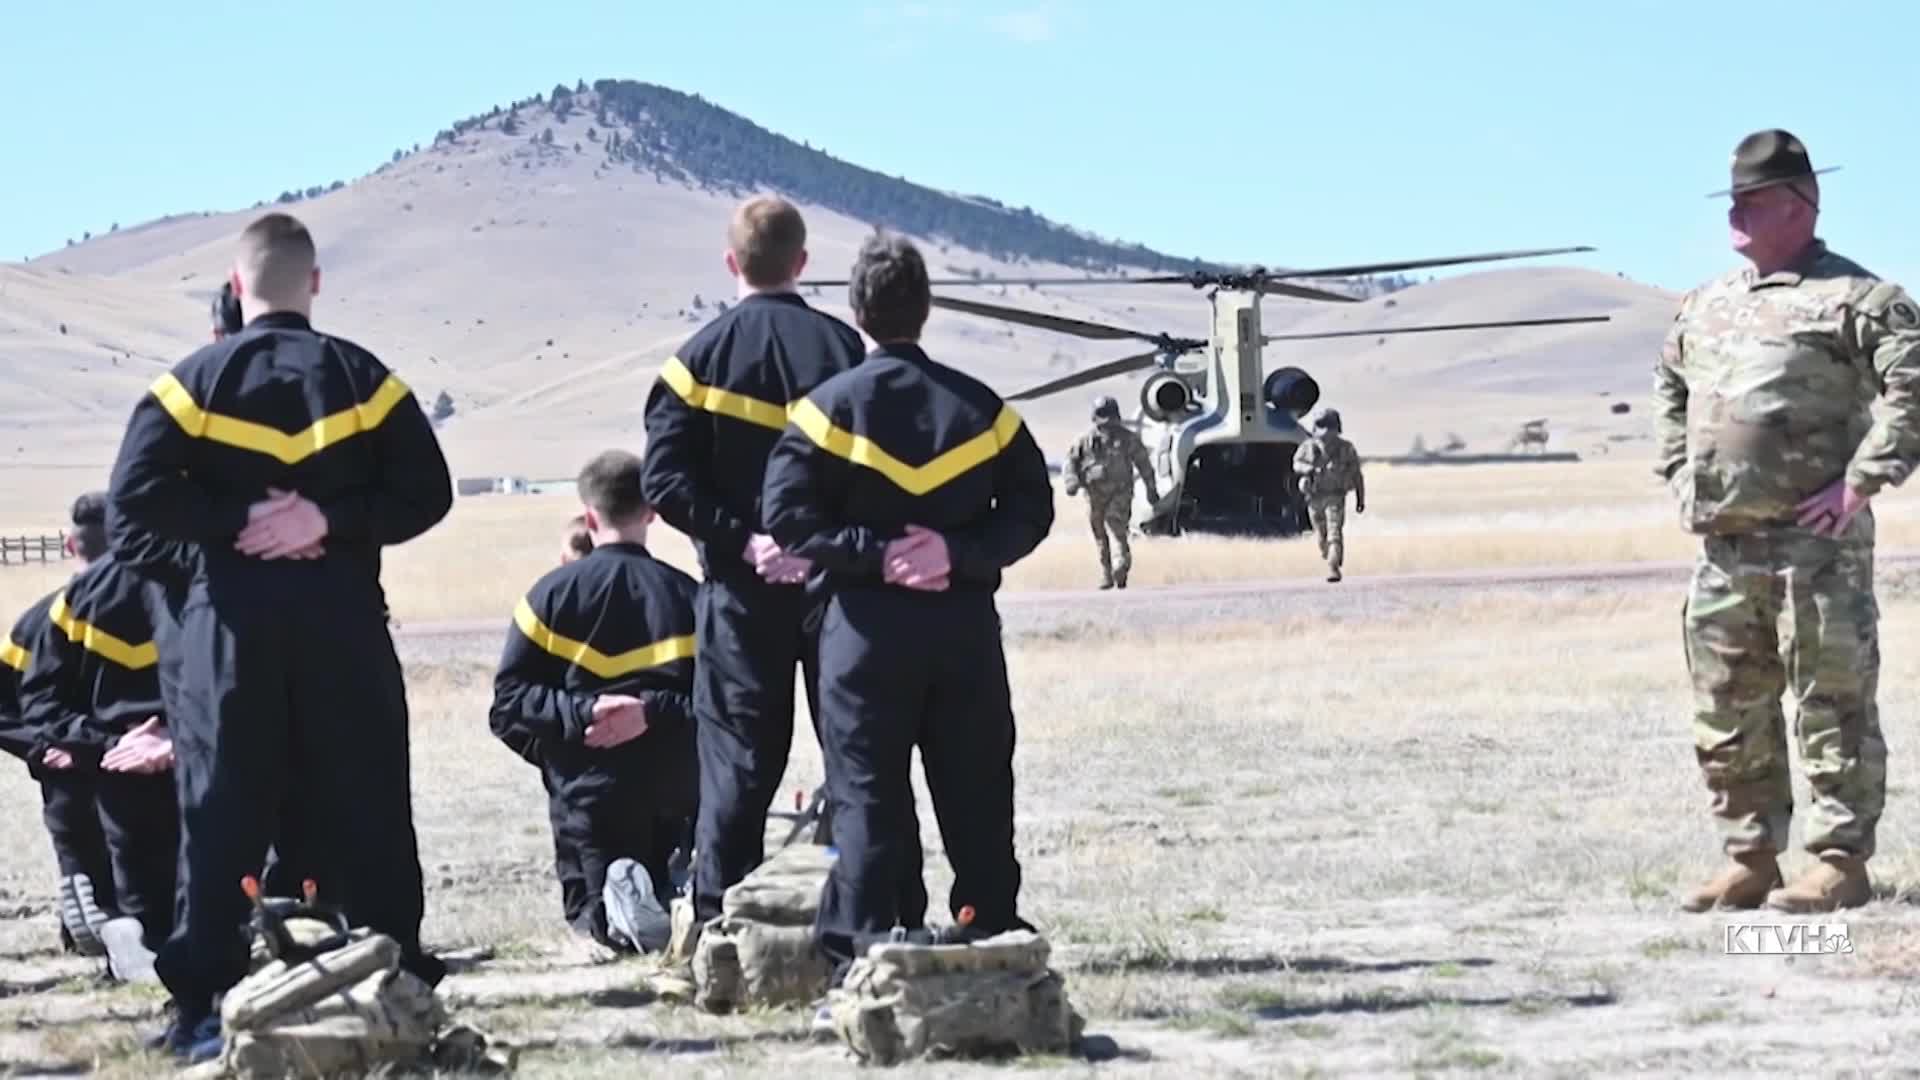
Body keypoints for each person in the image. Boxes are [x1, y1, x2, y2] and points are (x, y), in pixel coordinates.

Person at [104, 211, 454, 1056]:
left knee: (221, 812)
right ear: (317, 284)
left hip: (233, 632)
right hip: (342, 623)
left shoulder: (191, 384)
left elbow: (133, 501)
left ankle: (201, 1008)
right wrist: (320, 521)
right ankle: (392, 983)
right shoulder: (368, 381)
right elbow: (427, 495)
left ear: (235, 285)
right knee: (367, 803)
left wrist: (236, 522)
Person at [759, 230, 1055, 987]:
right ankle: (989, 925)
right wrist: (956, 553)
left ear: (856, 312)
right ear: (925, 311)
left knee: (863, 791)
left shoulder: (823, 414)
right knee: (978, 783)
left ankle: (860, 947)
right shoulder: (985, 412)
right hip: (960, 627)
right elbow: (1032, 508)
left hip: (862, 630)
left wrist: (871, 551)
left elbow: (786, 517)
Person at [639, 195, 926, 932]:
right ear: (802, 264)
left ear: (732, 263)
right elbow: (884, 471)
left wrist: (746, 542)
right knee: (863, 759)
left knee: (735, 765)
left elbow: (665, 483)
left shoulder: (691, 366)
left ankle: (717, 928)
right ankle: (890, 914)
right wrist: (820, 542)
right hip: (840, 596)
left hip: (739, 595)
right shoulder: (846, 353)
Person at [1655, 129, 1920, 914]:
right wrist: (1678, 473)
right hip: (1726, 545)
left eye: (1755, 199)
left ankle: (1839, 862)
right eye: (1732, 199)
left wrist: (1861, 483)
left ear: (1802, 205)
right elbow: (1670, 389)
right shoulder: (1705, 306)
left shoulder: (1859, 300)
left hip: (1818, 545)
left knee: (1829, 699)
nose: (1736, 212)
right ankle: (1749, 857)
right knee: (1727, 704)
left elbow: (1914, 388)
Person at [489, 451, 698, 955]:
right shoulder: (691, 597)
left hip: (585, 798)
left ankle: (614, 914)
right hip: (672, 792)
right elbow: (724, 707)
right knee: (660, 899)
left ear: (589, 516)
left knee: (594, 919)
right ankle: (653, 905)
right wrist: (650, 713)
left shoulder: (548, 598)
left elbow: (508, 704)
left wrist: (578, 727)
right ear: (651, 511)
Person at [16, 492, 178, 985]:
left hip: (112, 767)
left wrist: (78, 743)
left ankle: (126, 931)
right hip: (160, 765)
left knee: (131, 879)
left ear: (71, 545)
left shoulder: (51, 613)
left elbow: (29, 703)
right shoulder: (206, 593)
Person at [0, 494, 120, 958]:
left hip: (70, 775)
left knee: (85, 868)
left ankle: (92, 931)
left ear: (71, 546)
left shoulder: (36, 621)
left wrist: (45, 747)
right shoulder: (164, 613)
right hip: (140, 767)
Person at [1062, 395, 1158, 589]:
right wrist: (1071, 481)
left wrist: (1151, 489)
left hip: (1119, 492)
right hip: (1094, 493)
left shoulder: (1127, 439)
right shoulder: (1085, 442)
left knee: (1116, 527)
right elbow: (1070, 462)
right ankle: (1106, 573)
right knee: (1099, 534)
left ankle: (1120, 566)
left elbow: (1144, 464)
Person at [1291, 408, 1365, 582]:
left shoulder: (1346, 449)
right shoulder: (1308, 447)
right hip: (1314, 498)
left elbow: (1356, 474)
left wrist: (1361, 498)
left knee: (1334, 533)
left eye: (1329, 426)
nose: (1326, 431)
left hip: (1335, 496)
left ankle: (1333, 568)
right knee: (1321, 536)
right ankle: (1330, 555)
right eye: (1322, 426)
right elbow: (1296, 464)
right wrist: (1307, 469)